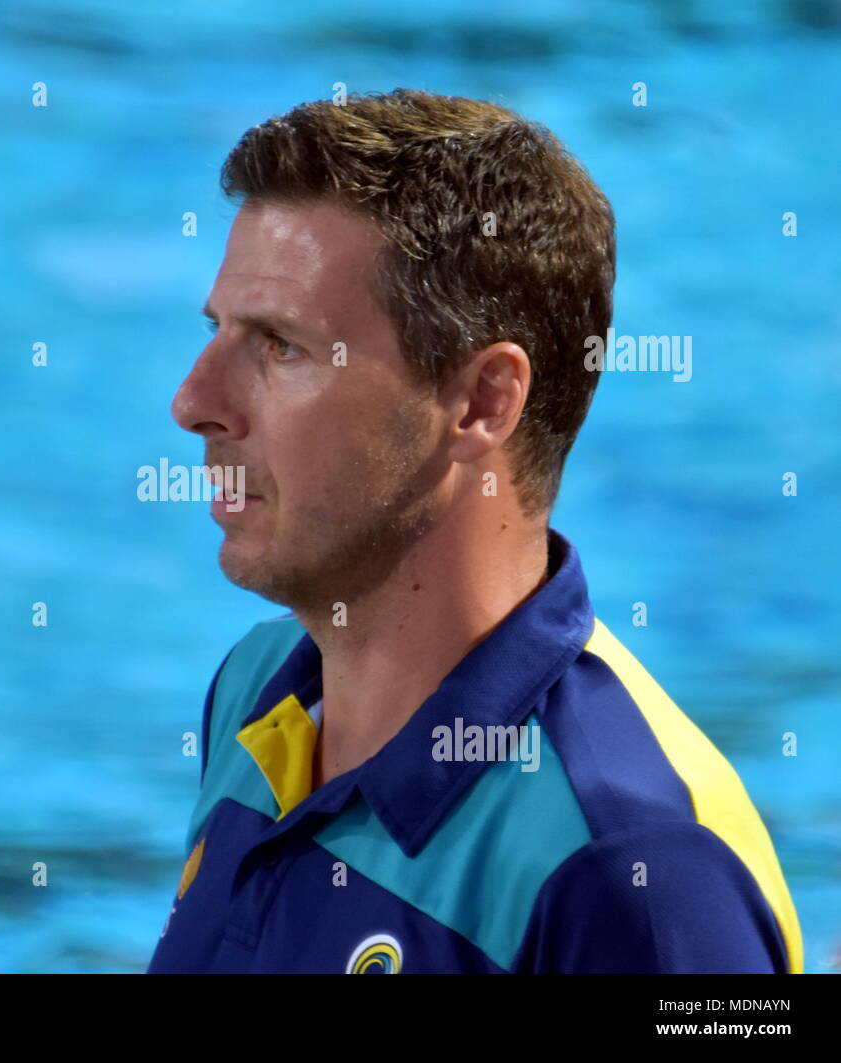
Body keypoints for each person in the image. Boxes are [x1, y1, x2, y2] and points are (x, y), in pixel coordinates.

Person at [146, 88, 802, 974]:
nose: (194, 404)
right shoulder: (258, 696)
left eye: (280, 346)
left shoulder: (633, 872)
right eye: (217, 330)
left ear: (482, 402)